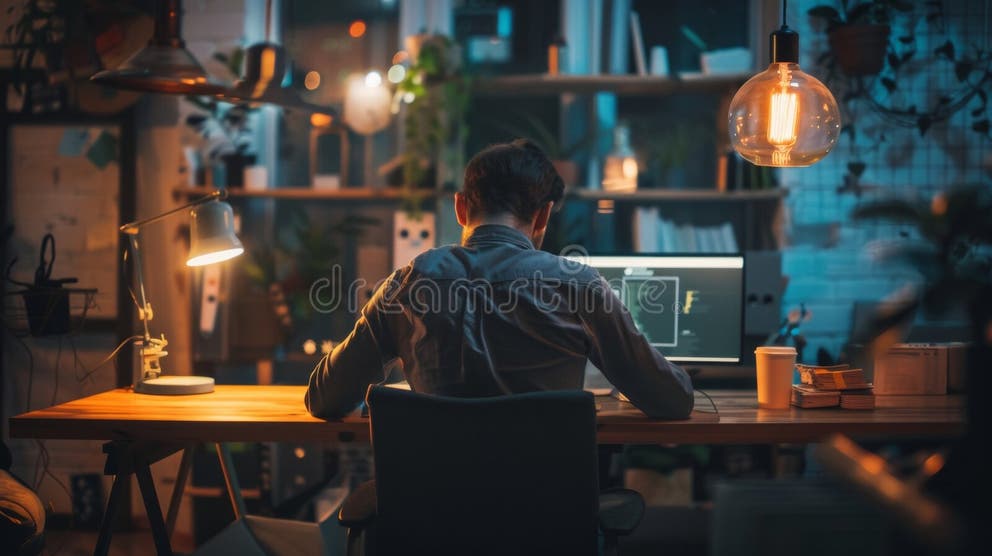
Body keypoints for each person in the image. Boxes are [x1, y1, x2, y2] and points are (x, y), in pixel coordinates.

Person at [305, 139, 694, 419]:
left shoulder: (406, 285)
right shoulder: (580, 287)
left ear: (460, 208)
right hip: (545, 508)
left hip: (433, 509)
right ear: (543, 216)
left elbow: (324, 399)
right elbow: (673, 401)